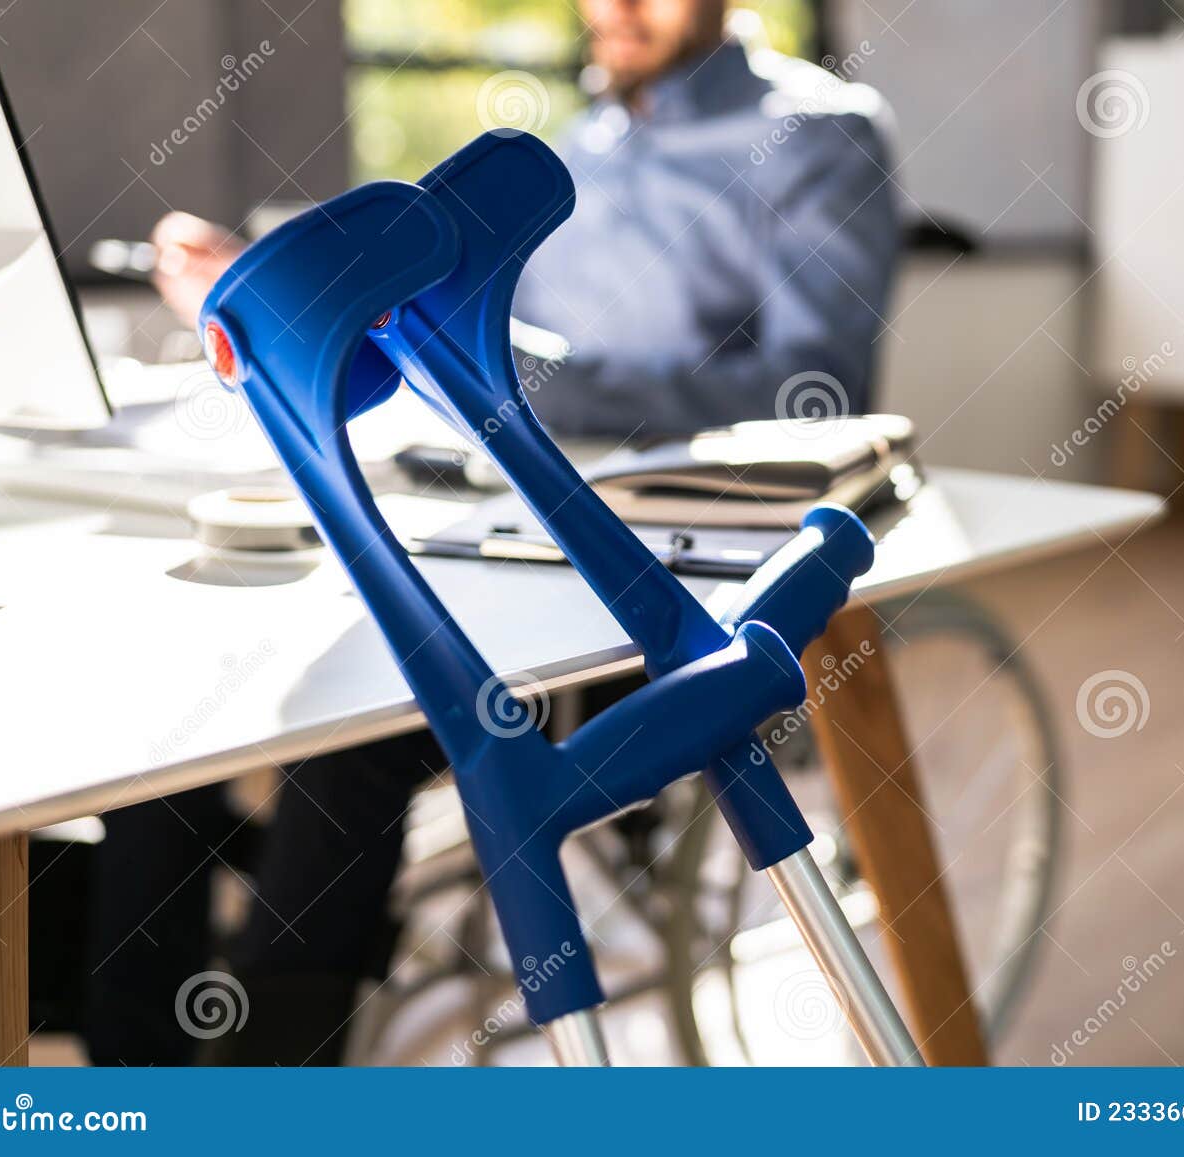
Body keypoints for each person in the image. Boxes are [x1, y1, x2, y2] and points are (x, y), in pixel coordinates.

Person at [89, 0, 897, 1064]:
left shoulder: (819, 131)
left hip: (661, 558)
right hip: (500, 516)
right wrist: (306, 308)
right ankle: (134, 1065)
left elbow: (813, 387)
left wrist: (497, 375)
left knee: (358, 726)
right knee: (205, 676)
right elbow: (485, 334)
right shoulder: (589, 141)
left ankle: (271, 1073)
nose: (614, 7)